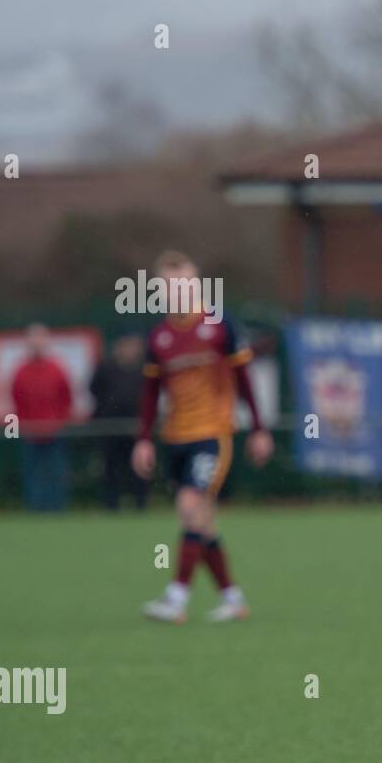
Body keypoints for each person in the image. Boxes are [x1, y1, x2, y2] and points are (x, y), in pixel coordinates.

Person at [132, 250, 273, 623]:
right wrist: (143, 439)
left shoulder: (219, 326)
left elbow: (244, 379)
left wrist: (258, 429)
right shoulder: (160, 337)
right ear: (158, 292)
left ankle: (176, 599)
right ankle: (233, 598)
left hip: (213, 434)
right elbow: (149, 393)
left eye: (185, 283)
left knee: (190, 507)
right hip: (175, 436)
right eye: (169, 286)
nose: (178, 291)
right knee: (202, 523)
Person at [10, 324, 73, 512]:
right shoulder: (21, 371)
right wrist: (24, 424)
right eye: (33, 341)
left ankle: (57, 509)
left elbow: (66, 398)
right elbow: (16, 398)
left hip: (55, 433)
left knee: (56, 472)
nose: (37, 345)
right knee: (32, 473)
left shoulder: (56, 369)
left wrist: (59, 421)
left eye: (40, 340)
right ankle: (35, 509)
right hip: (31, 433)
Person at [90, 334, 149, 510]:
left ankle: (140, 505)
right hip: (111, 428)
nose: (129, 350)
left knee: (139, 468)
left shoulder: (144, 369)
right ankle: (111, 505)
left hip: (136, 428)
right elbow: (94, 390)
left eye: (133, 346)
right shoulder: (106, 368)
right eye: (126, 345)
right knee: (111, 469)